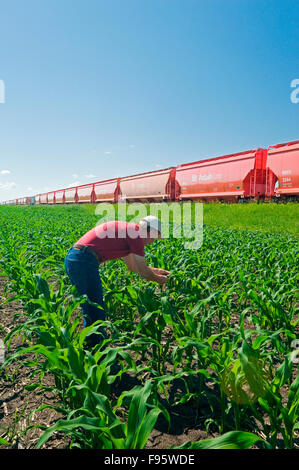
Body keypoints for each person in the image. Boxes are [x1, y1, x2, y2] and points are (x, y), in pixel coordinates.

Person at [64, 216, 169, 347]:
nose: (152, 242)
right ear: (149, 232)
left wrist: (156, 271)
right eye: (154, 237)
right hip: (84, 260)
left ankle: (92, 346)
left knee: (91, 307)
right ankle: (94, 349)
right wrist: (159, 280)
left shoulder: (129, 232)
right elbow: (142, 271)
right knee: (95, 310)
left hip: (77, 258)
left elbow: (132, 266)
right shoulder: (135, 235)